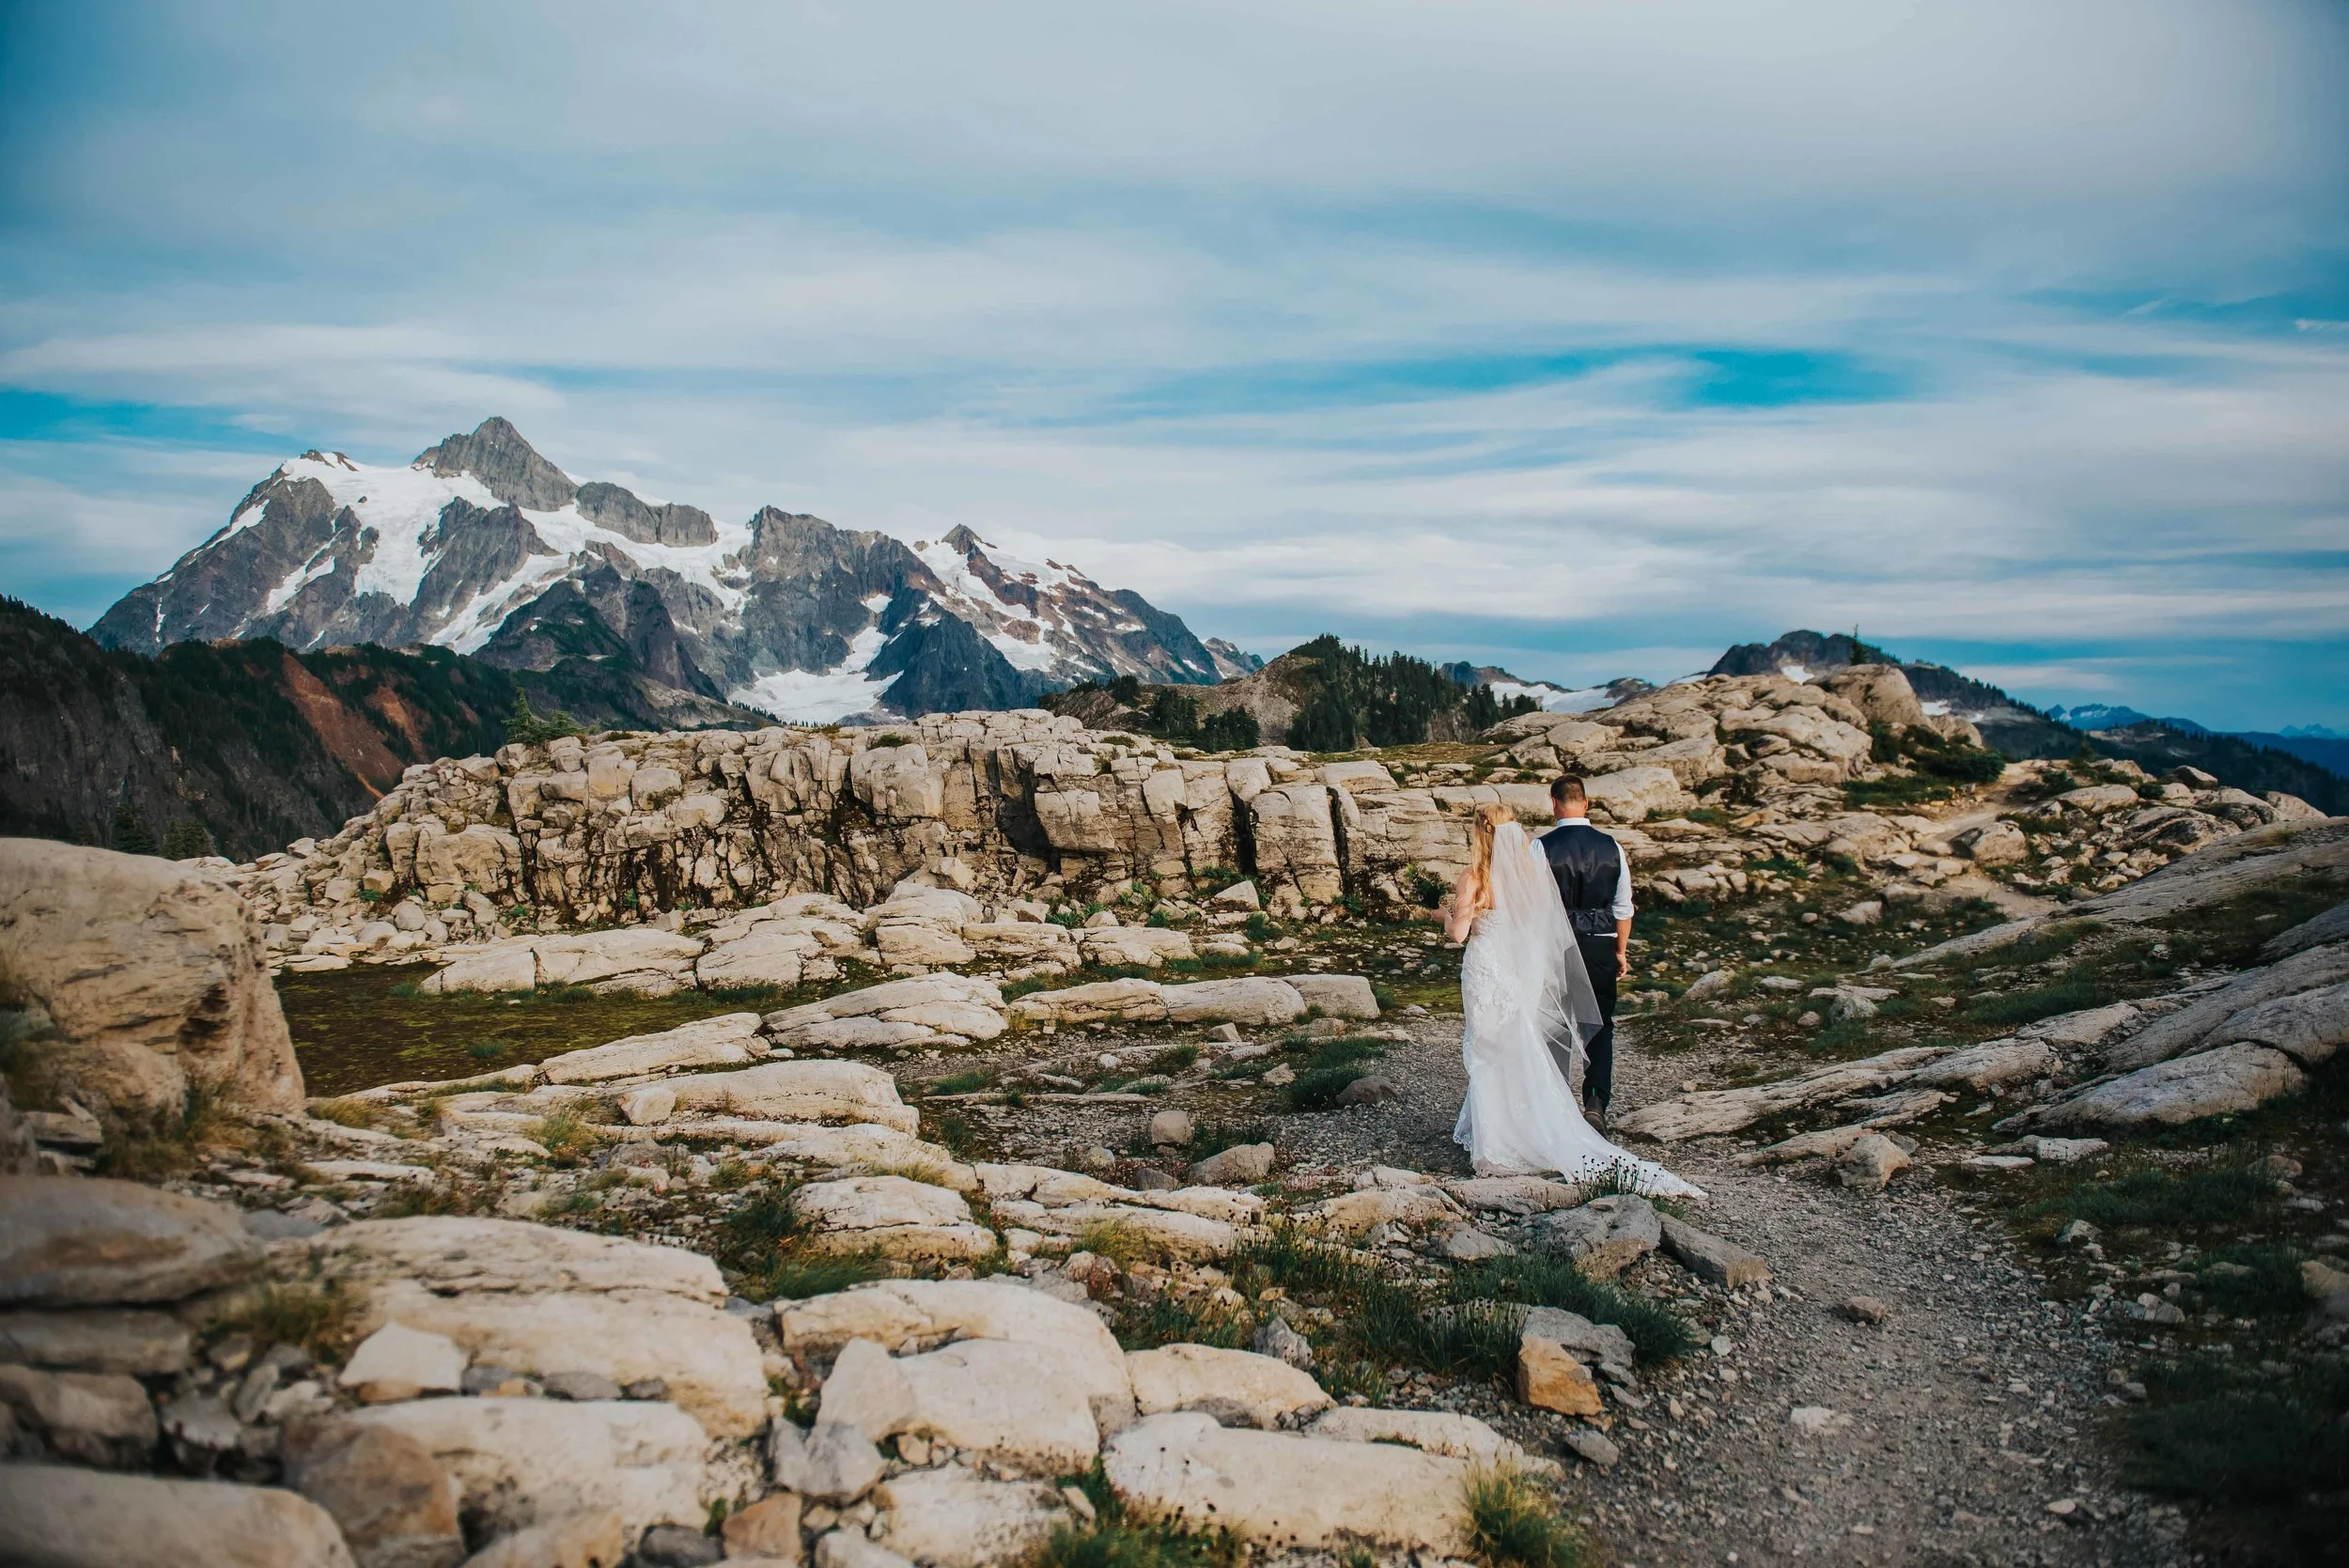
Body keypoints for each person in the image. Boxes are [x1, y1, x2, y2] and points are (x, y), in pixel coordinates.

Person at [1443, 802, 1699, 1196]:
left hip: (1487, 970)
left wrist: (1439, 917)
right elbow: (1604, 909)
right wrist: (1618, 950)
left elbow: (1458, 934)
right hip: (1538, 965)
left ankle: (1497, 1141)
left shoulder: (1481, 874)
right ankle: (1581, 1106)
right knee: (1540, 1042)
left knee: (1491, 1050)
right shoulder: (1541, 870)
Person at [1537, 775, 1632, 1126]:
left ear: (1554, 803)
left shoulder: (1540, 847)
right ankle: (1595, 1103)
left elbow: (1531, 903)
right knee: (1600, 1025)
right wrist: (1620, 951)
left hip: (1555, 945)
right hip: (1599, 944)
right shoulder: (1613, 847)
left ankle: (1557, 1098)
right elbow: (1623, 907)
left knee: (1555, 1022)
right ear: (1586, 803)